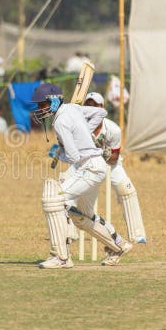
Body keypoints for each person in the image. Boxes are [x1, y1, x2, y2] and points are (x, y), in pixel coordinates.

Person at [33, 83, 133, 268]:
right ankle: (119, 245)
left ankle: (61, 257)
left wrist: (62, 149)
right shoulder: (73, 108)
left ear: (53, 102)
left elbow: (73, 156)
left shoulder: (61, 122)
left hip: (89, 168)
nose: (39, 109)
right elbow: (100, 114)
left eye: (42, 105)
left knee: (53, 200)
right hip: (96, 166)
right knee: (81, 215)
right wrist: (84, 131)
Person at [83, 92, 147, 244]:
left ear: (102, 108)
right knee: (75, 197)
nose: (92, 110)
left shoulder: (113, 129)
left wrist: (102, 153)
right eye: (88, 106)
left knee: (127, 190)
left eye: (95, 106)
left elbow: (114, 158)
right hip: (87, 165)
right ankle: (70, 234)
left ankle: (137, 234)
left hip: (110, 165)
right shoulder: (79, 128)